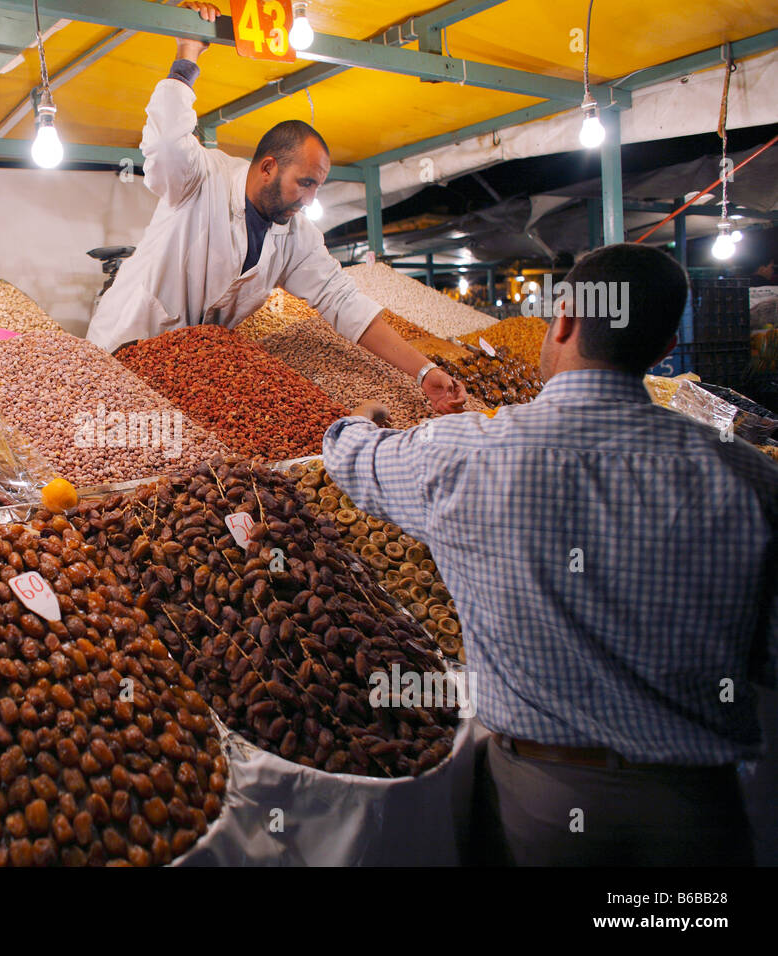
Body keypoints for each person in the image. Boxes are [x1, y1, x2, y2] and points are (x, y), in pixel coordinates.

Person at [324, 242, 777, 865]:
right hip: (696, 806)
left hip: (543, 803)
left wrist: (357, 424)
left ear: (561, 321)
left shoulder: (463, 454)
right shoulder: (749, 479)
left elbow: (351, 458)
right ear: (667, 348)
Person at [85, 1, 467, 415]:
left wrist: (424, 372)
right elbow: (165, 143)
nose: (310, 200)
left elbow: (342, 302)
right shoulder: (202, 178)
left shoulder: (295, 233)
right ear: (268, 167)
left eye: (317, 187)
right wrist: (187, 57)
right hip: (122, 351)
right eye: (305, 183)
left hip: (188, 378)